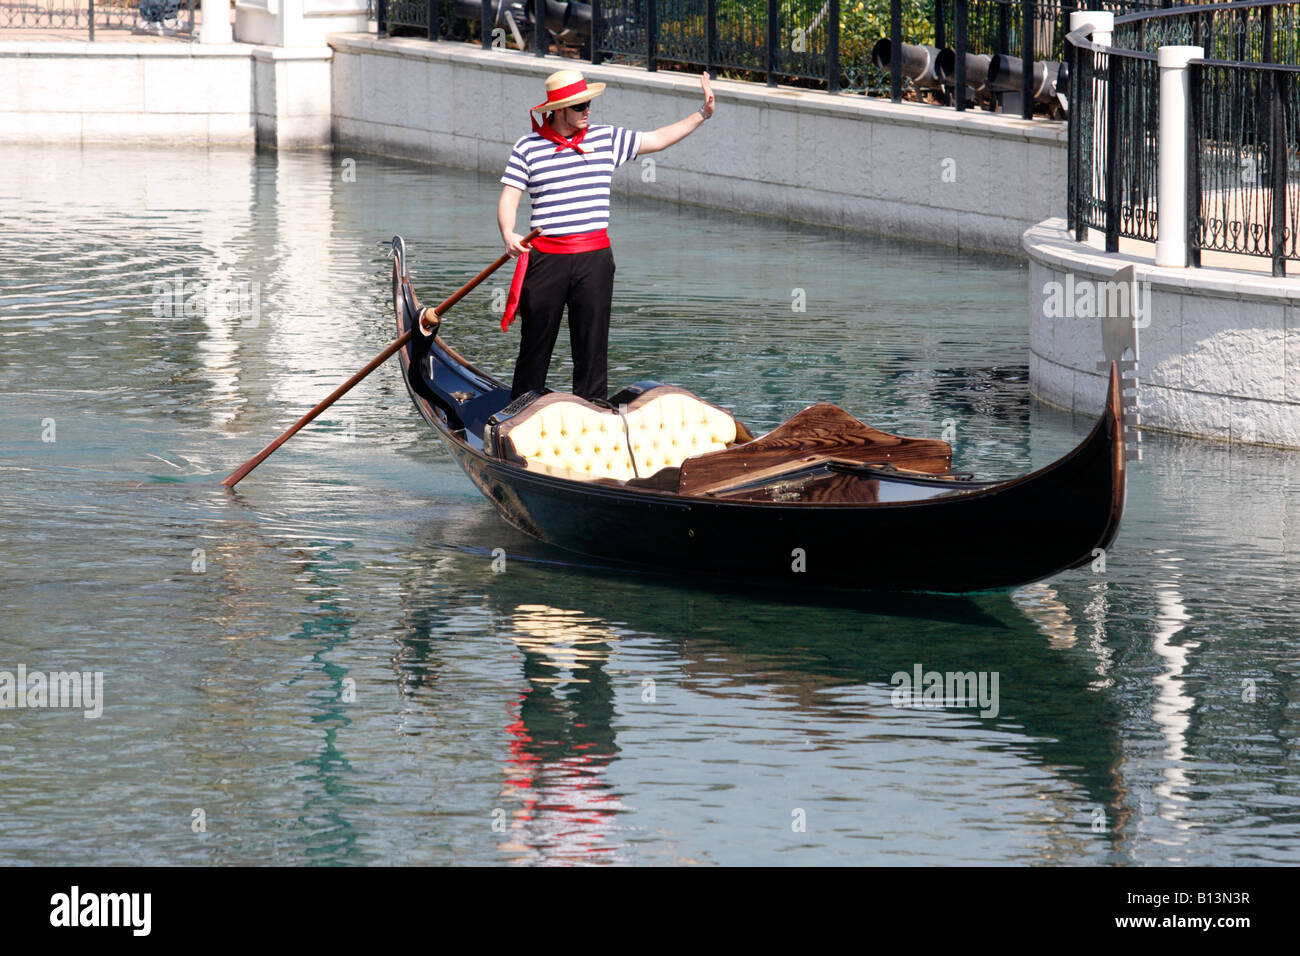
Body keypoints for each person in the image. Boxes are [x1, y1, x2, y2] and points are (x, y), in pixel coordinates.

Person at [498, 68, 715, 402]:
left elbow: (656, 139)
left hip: (594, 261)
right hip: (546, 260)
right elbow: (509, 197)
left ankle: (593, 415)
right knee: (536, 344)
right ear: (558, 109)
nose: (587, 110)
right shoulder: (528, 147)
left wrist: (702, 114)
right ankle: (521, 414)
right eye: (579, 105)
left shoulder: (607, 139)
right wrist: (508, 234)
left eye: (588, 104)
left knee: (592, 346)